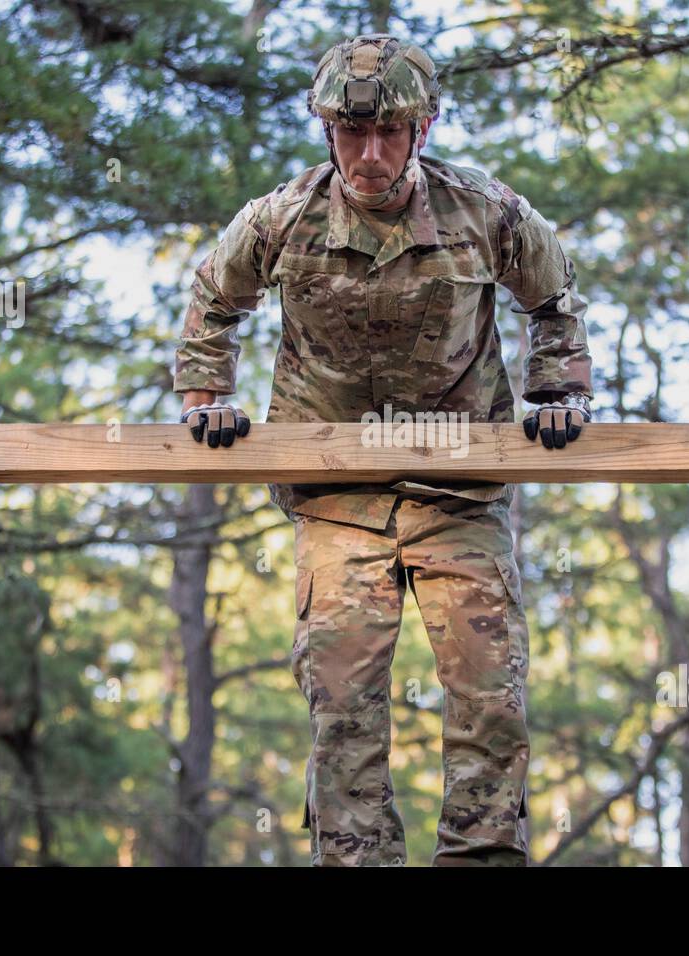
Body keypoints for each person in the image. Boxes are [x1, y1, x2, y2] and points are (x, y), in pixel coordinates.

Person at [173, 33, 594, 866]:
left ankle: (480, 859)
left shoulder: (486, 212)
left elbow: (555, 297)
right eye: (350, 134)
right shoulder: (281, 218)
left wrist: (559, 395)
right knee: (342, 703)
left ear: (424, 128)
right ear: (326, 130)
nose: (369, 155)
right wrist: (204, 400)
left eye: (390, 134)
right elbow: (212, 300)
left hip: (457, 489)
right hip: (337, 498)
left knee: (489, 695)